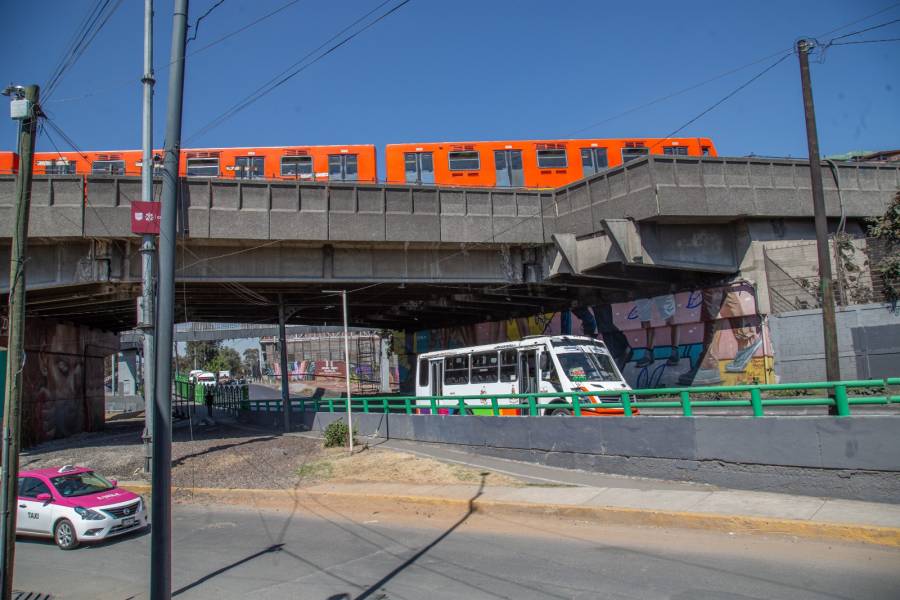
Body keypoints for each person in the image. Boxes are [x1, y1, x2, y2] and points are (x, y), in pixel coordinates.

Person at [634, 292, 679, 368]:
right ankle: (649, 353)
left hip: (661, 285)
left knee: (670, 317)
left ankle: (675, 352)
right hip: (643, 286)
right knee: (645, 317)